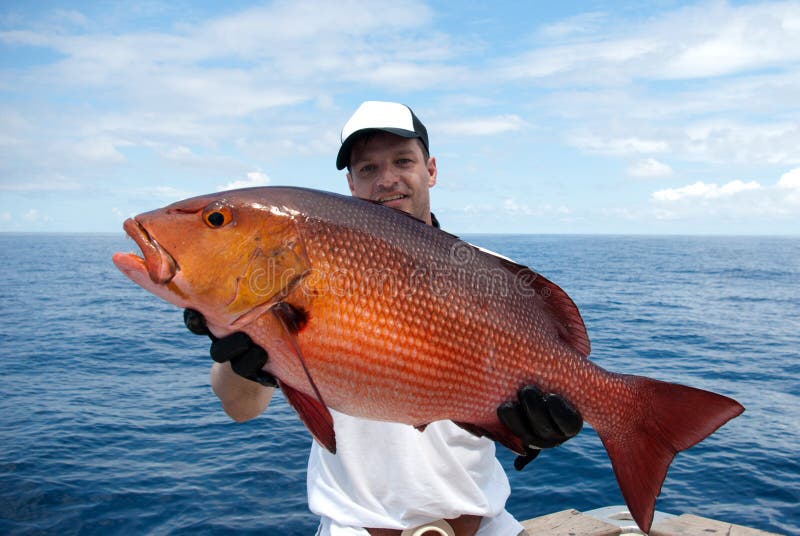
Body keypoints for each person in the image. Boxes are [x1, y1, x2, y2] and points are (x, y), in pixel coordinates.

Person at [184, 101, 583, 536]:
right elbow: (240, 408)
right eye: (368, 169)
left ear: (430, 169)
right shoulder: (303, 274)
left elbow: (544, 387)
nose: (387, 179)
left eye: (402, 161)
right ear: (351, 184)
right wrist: (250, 367)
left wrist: (540, 429)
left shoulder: (491, 274)